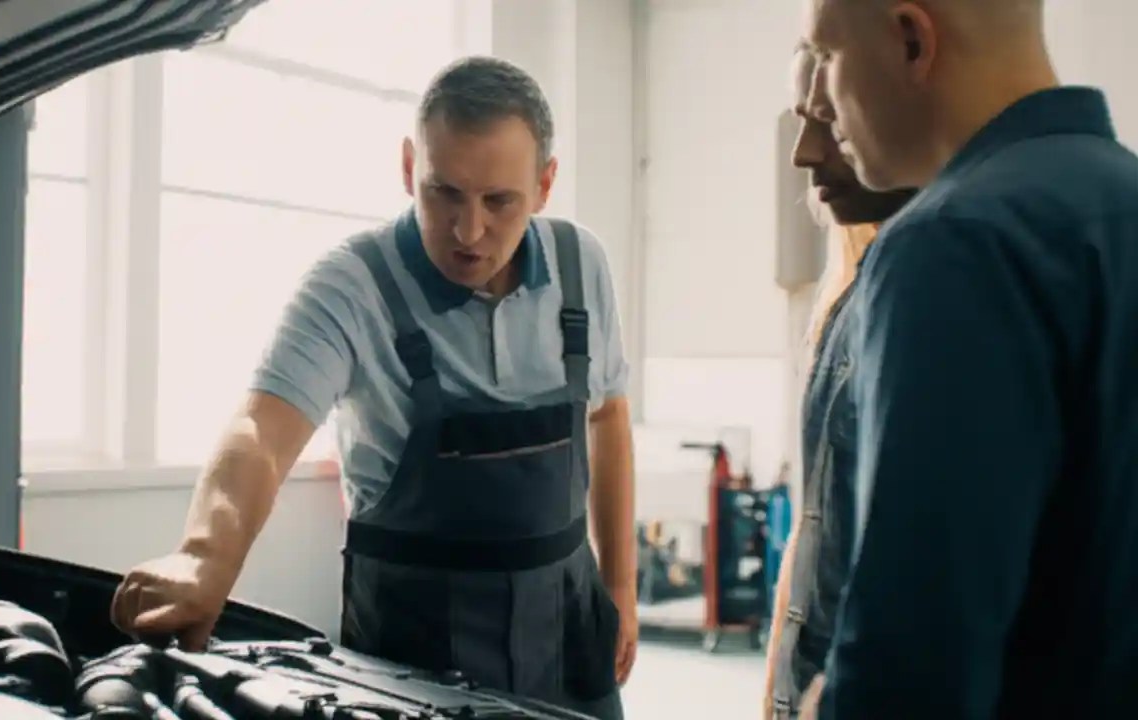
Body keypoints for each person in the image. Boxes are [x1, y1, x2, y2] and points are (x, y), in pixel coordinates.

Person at [109, 56, 638, 720]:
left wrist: (619, 582)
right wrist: (203, 557)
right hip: (412, 657)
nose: (468, 231)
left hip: (570, 634)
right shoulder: (350, 286)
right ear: (408, 167)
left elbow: (609, 414)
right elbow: (262, 434)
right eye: (443, 192)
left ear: (545, 184)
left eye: (498, 201)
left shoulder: (580, 263)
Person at [797, 1, 1138, 717]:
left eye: (826, 57)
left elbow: (916, 652)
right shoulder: (1119, 200)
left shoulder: (952, 242)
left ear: (911, 40)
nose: (818, 101)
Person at [761, 44, 916, 720]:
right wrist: (773, 694)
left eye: (828, 120)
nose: (804, 153)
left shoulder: (934, 291)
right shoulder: (844, 294)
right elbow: (811, 526)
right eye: (803, 119)